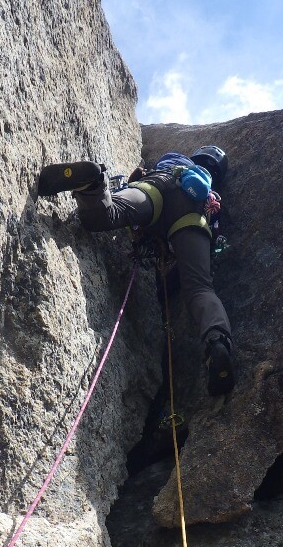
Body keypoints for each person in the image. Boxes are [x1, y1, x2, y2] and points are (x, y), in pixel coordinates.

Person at [38, 146, 235, 395]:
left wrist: (134, 182)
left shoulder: (171, 161)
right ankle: (217, 342)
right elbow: (211, 243)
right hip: (194, 213)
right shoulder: (208, 191)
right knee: (200, 289)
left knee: (106, 214)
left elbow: (138, 181)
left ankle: (93, 184)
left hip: (157, 187)